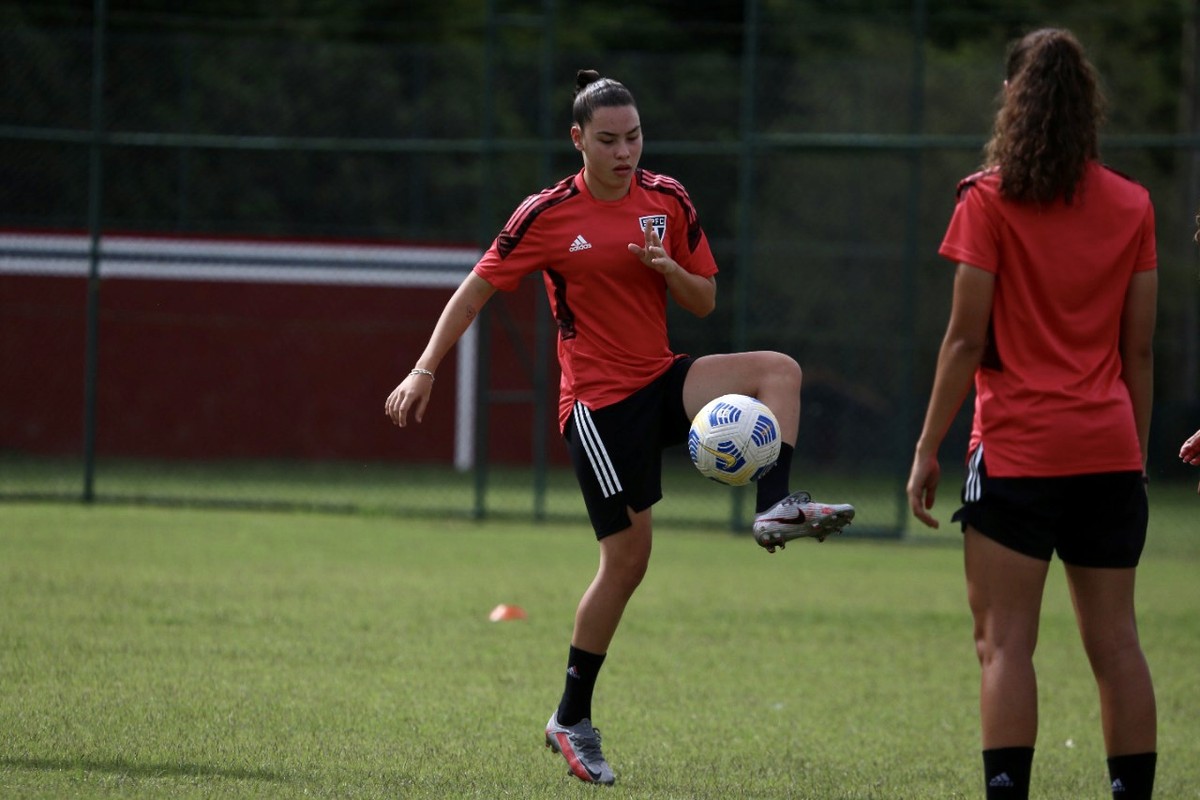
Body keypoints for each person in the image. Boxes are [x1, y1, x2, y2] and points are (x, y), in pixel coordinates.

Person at [384, 69, 855, 786]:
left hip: (660, 379)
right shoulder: (547, 215)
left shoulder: (667, 202)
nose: (624, 151)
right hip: (598, 409)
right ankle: (571, 717)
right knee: (629, 560)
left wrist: (668, 268)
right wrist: (424, 367)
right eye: (607, 140)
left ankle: (773, 507)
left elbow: (703, 301)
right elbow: (476, 289)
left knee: (778, 371)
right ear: (578, 140)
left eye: (633, 137)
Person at [905, 29, 1158, 800]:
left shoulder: (986, 200)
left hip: (1017, 451)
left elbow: (963, 338)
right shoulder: (1133, 202)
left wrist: (926, 448)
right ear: (1088, 109)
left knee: (1005, 643)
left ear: (1013, 103)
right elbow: (1140, 353)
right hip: (1109, 451)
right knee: (1118, 645)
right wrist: (1133, 461)